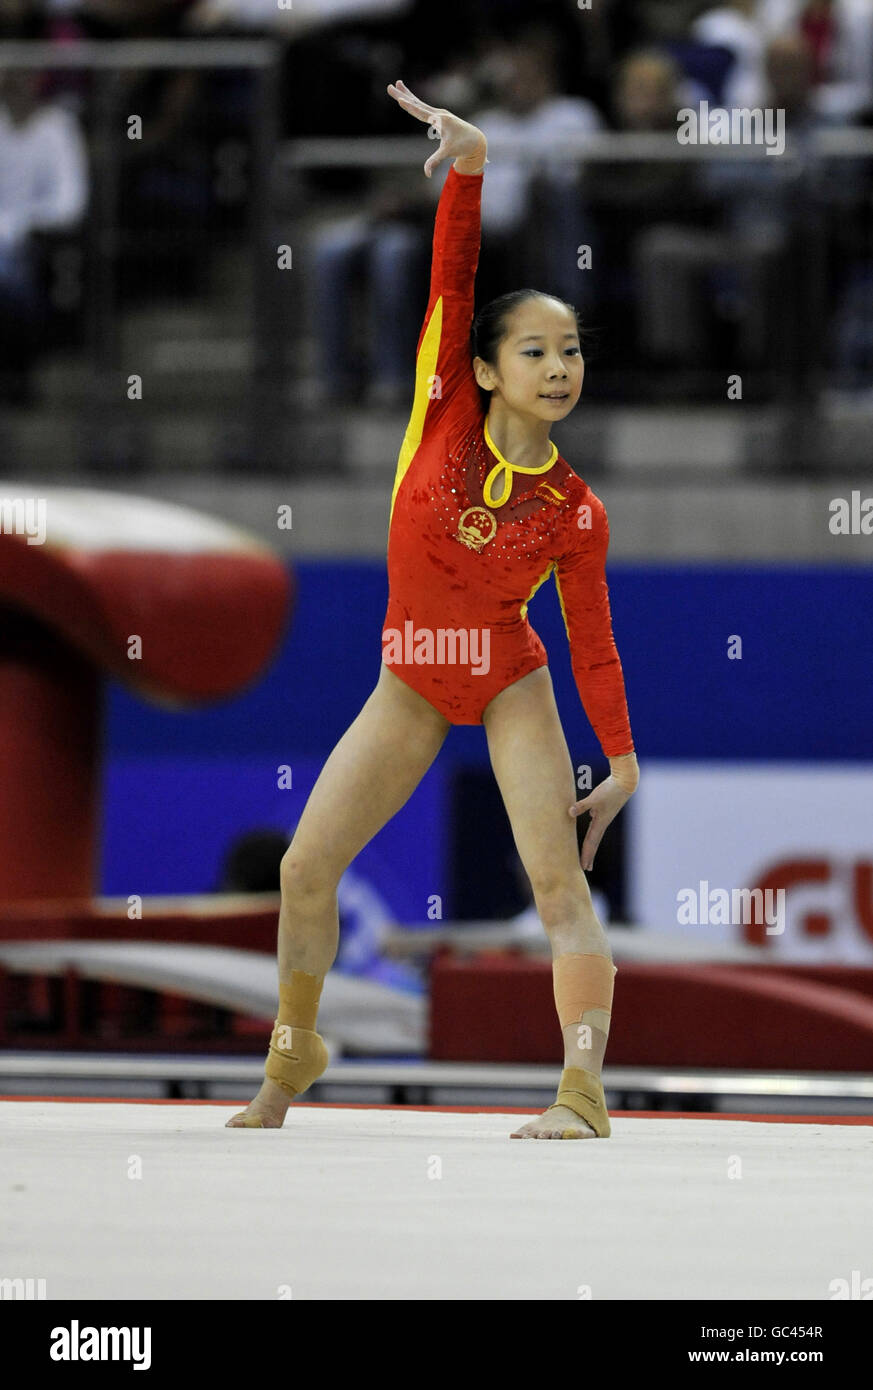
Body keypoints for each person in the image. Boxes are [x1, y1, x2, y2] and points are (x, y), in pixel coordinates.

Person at [227, 81, 639, 1139]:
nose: (559, 368)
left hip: (508, 678)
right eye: (536, 352)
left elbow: (590, 637)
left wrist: (621, 754)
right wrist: (471, 165)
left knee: (556, 884)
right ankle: (294, 1053)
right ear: (489, 368)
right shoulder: (442, 404)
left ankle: (582, 1091)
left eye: (573, 351)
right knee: (304, 868)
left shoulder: (575, 510)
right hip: (410, 677)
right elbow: (453, 276)